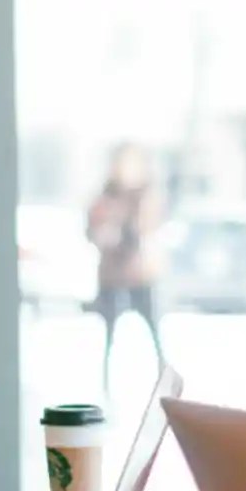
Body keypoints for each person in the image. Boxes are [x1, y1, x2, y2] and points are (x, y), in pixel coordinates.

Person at [86, 142, 167, 391]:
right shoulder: (104, 198)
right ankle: (106, 387)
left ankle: (164, 384)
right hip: (111, 277)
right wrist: (104, 233)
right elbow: (91, 230)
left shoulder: (146, 197)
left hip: (140, 276)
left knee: (155, 334)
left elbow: (144, 230)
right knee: (109, 336)